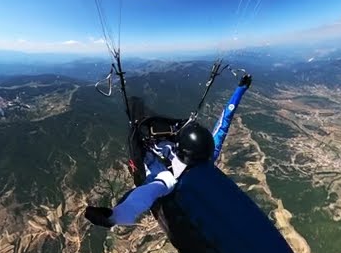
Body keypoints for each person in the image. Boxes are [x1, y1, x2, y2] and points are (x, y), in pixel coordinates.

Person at [84, 73, 252, 228]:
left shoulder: (169, 179)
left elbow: (147, 193)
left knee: (146, 183)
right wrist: (240, 90)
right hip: (156, 147)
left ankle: (115, 214)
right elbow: (224, 122)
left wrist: (113, 218)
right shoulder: (207, 153)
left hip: (148, 163)